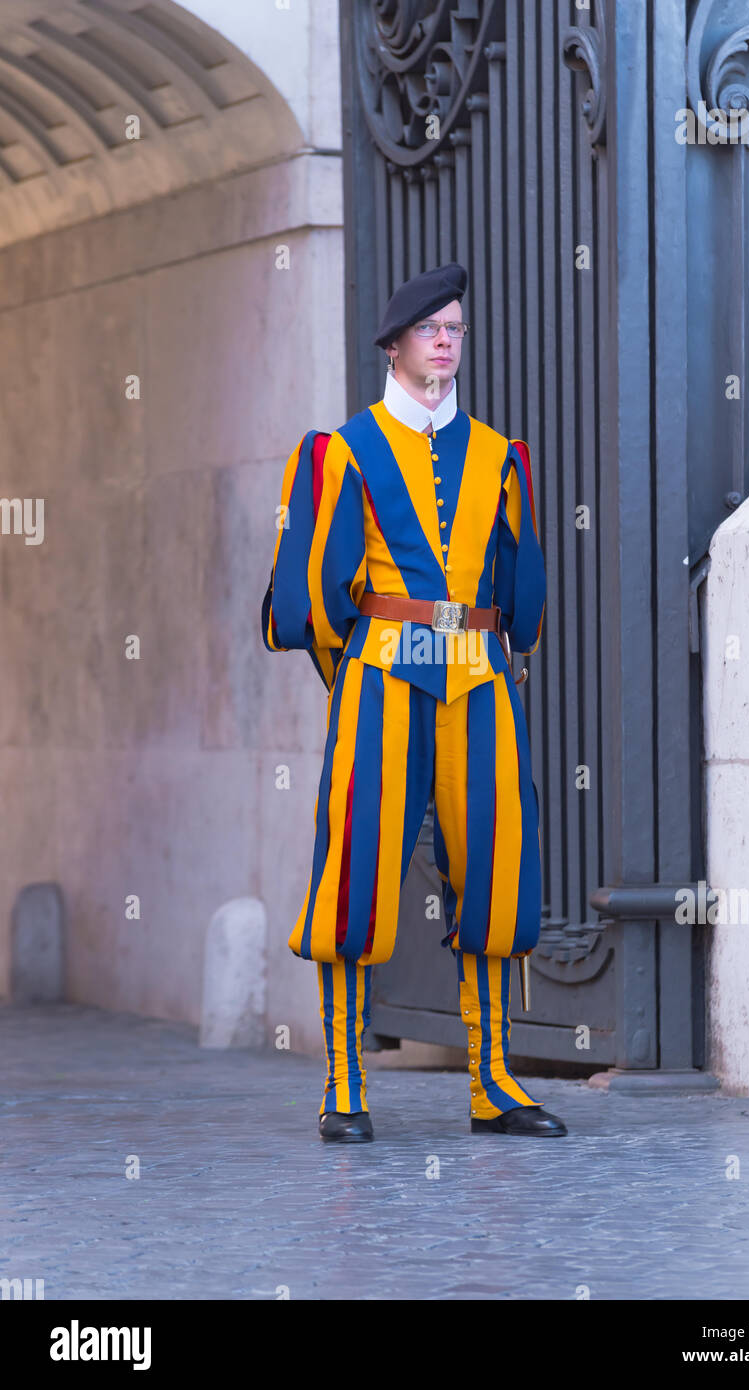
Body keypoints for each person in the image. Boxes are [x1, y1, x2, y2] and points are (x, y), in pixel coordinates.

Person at [261, 262, 567, 1142]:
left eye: (456, 329)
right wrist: (355, 675)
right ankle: (344, 1086)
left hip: (477, 674)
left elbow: (520, 592)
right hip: (382, 676)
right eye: (431, 329)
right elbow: (312, 598)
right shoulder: (340, 451)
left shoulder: (499, 456)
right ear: (393, 346)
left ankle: (491, 1082)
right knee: (355, 871)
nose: (446, 340)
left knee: (497, 872)